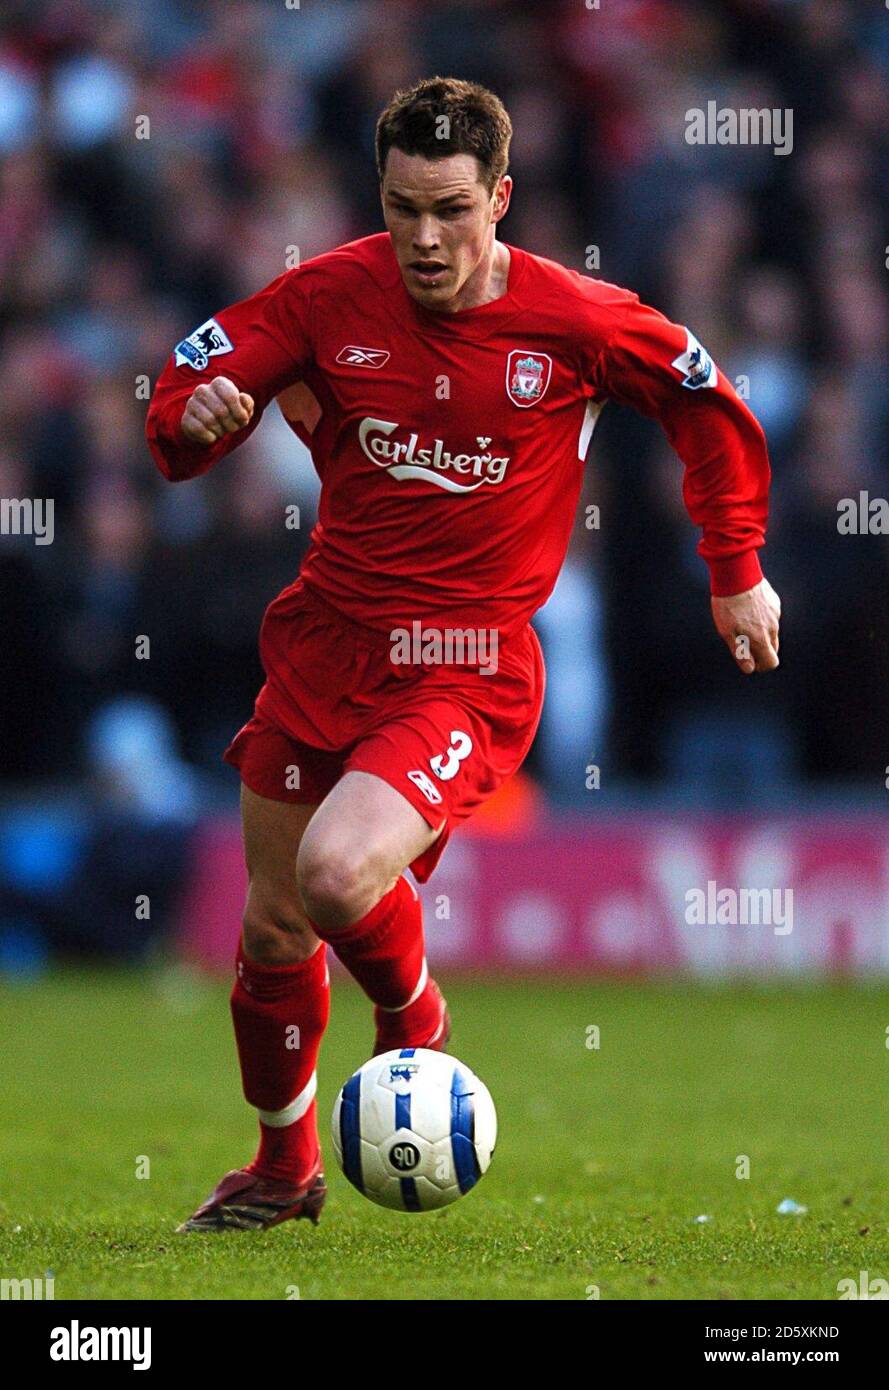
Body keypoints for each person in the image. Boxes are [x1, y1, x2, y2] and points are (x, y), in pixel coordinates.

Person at [146, 77, 781, 1232]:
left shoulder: (576, 319)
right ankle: (283, 1170)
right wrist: (188, 420)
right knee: (275, 925)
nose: (425, 238)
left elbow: (706, 400)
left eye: (449, 209)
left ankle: (415, 1023)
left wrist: (733, 566)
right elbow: (198, 371)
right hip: (323, 643)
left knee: (342, 876)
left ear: (500, 196)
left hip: (464, 663)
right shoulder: (327, 292)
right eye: (401, 209)